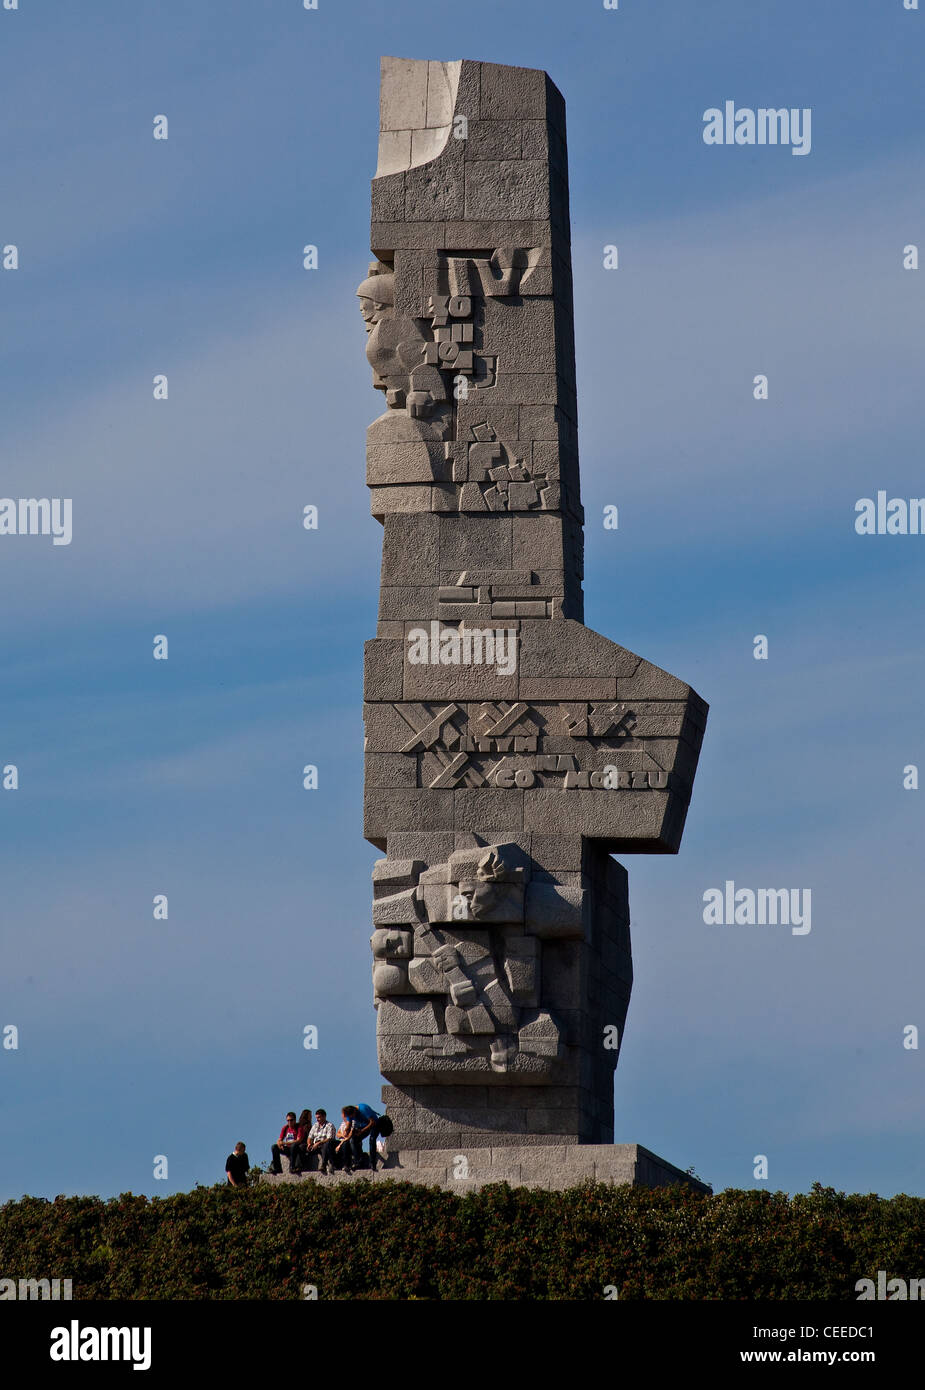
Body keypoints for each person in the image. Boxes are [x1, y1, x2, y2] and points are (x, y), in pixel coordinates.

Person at [352, 1102, 383, 1171]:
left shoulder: (363, 1108)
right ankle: (359, 1161)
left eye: (354, 1116)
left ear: (355, 1111)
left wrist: (362, 1131)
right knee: (354, 1140)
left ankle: (372, 1163)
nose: (353, 1118)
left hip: (374, 1124)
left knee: (372, 1140)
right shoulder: (349, 1115)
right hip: (364, 1126)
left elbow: (372, 1122)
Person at [333, 1108, 358, 1174]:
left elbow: (349, 1136)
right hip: (342, 1140)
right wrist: (343, 1135)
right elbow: (337, 1134)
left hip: (347, 1142)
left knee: (345, 1144)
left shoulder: (353, 1123)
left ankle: (346, 1164)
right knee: (330, 1143)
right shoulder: (342, 1124)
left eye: (343, 1114)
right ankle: (333, 1164)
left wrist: (340, 1144)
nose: (342, 1116)